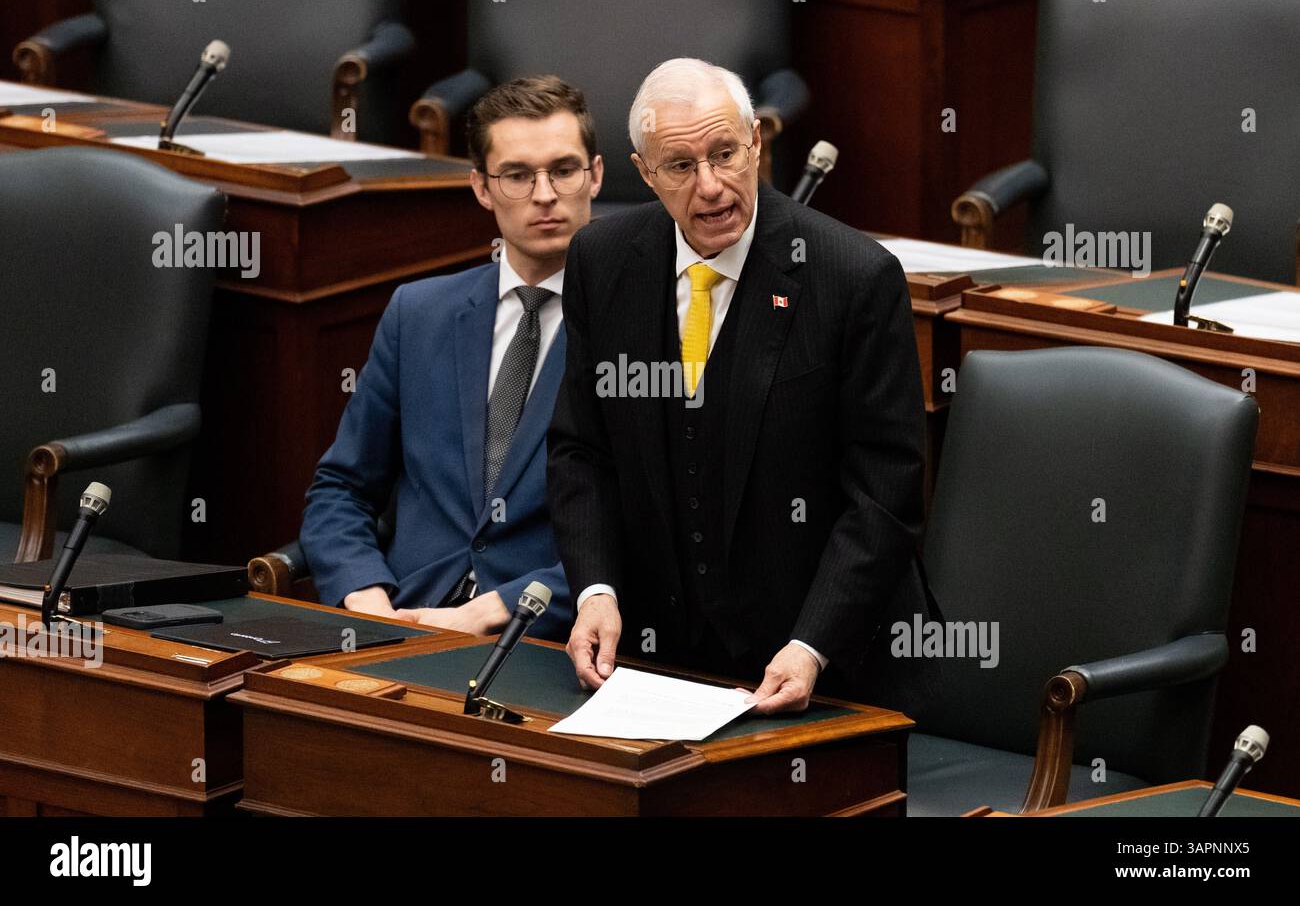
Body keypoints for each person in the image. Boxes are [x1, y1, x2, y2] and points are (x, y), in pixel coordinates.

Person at [548, 57, 939, 709]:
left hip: (828, 673)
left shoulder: (852, 278)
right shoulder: (601, 261)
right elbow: (581, 451)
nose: (711, 186)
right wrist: (596, 590)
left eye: (726, 153)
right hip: (658, 665)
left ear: (756, 141)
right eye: (680, 166)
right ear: (644, 173)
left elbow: (884, 495)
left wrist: (811, 645)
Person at [301, 75, 603, 640]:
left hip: (540, 638)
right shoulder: (419, 313)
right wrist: (364, 593)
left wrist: (498, 607)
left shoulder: (640, 325)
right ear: (481, 188)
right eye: (516, 175)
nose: (544, 194)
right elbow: (341, 487)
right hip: (401, 620)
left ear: (596, 176)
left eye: (563, 170)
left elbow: (651, 534)